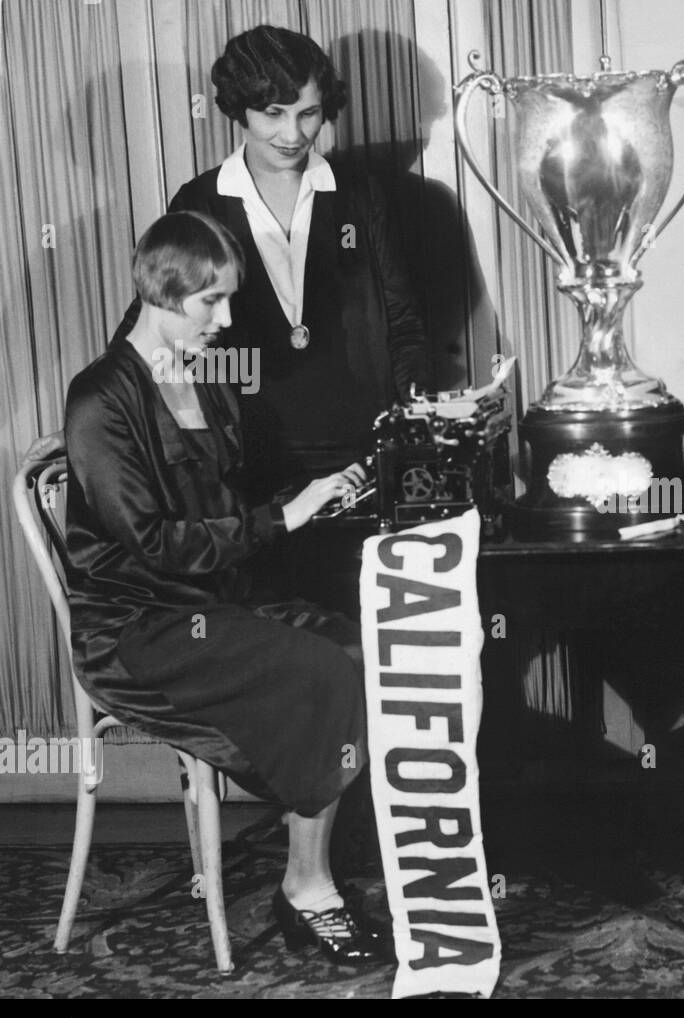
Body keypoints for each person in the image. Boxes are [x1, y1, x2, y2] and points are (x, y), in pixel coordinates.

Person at [66, 211, 389, 965]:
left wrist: (320, 493)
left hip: (206, 603)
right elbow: (152, 544)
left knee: (355, 643)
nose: (228, 317)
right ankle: (309, 889)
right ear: (164, 292)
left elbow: (229, 502)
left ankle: (311, 876)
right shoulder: (99, 399)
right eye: (212, 301)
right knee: (322, 669)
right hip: (135, 630)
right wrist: (286, 516)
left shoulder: (204, 380)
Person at [113, 24, 434, 609]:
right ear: (239, 109)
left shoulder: (360, 193)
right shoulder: (202, 201)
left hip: (363, 464)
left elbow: (405, 327)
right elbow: (155, 334)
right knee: (298, 645)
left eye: (310, 114)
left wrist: (409, 436)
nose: (293, 134)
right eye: (273, 113)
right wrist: (104, 417)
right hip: (254, 476)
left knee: (388, 638)